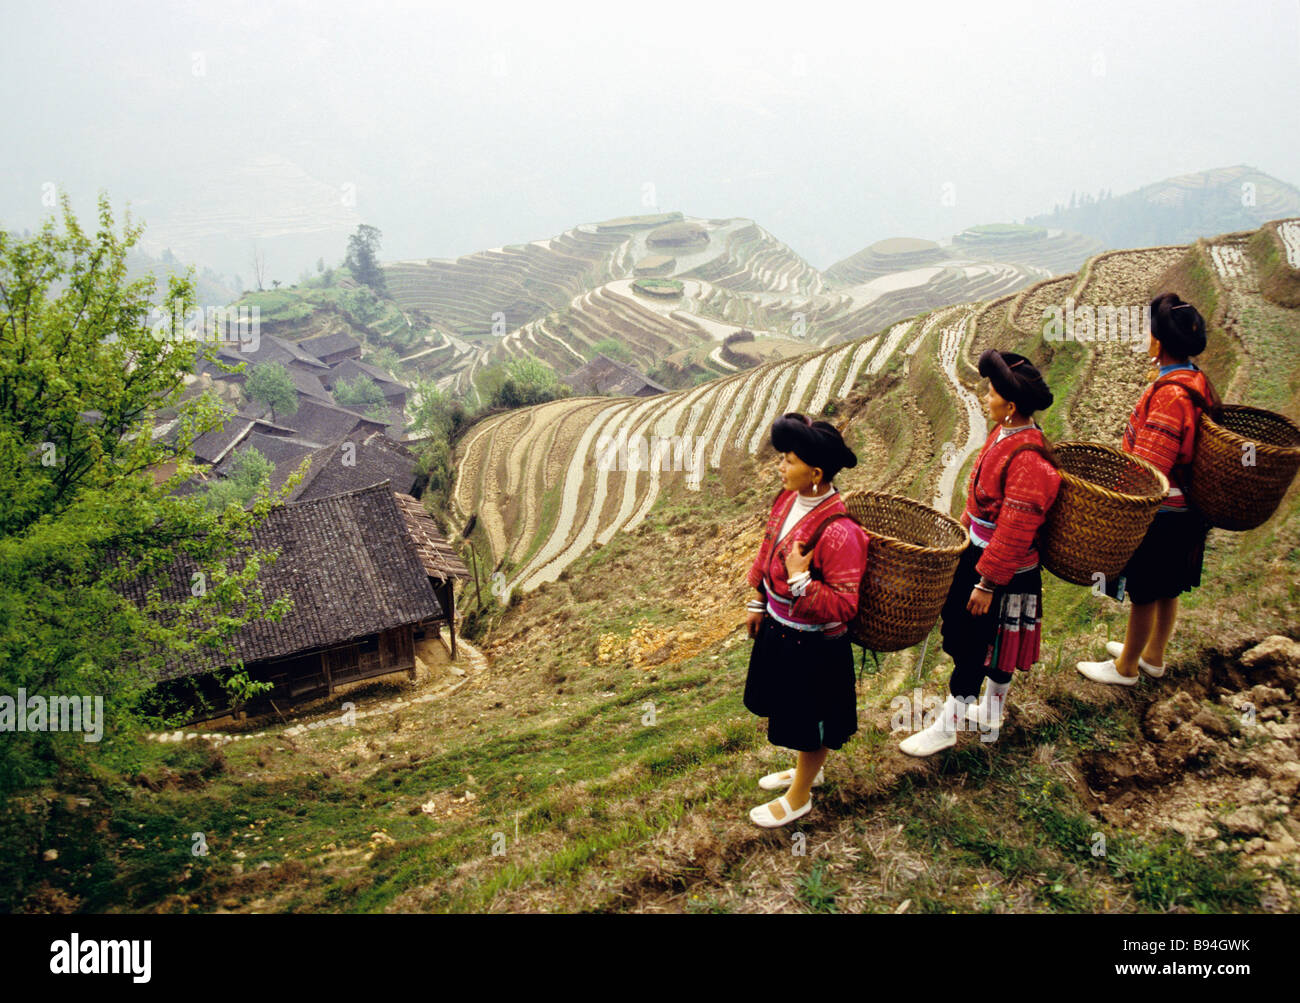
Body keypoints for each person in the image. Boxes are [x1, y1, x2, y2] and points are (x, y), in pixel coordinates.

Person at [900, 350, 1060, 756]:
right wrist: (961, 529)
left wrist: (988, 581)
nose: (984, 398)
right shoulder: (1006, 436)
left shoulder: (1029, 459)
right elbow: (981, 499)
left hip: (1001, 569)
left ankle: (948, 726)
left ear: (1009, 406)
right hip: (982, 555)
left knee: (977, 645)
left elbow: (1016, 527)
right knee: (994, 641)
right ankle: (991, 711)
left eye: (990, 393)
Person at [1077, 293, 1218, 686]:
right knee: (1168, 587)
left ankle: (1126, 667)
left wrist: (1122, 502)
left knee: (1144, 591)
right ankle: (1152, 656)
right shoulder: (1196, 380)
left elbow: (1150, 467)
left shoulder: (1169, 395)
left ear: (1158, 343)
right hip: (1188, 508)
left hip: (1164, 512)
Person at [743, 413, 869, 828]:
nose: (781, 467)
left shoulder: (841, 533)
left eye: (789, 461)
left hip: (812, 648)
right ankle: (803, 772)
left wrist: (799, 578)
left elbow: (844, 606)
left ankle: (799, 796)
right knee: (792, 715)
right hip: (782, 632)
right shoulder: (788, 500)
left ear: (815, 473)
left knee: (811, 723)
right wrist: (759, 601)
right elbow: (767, 550)